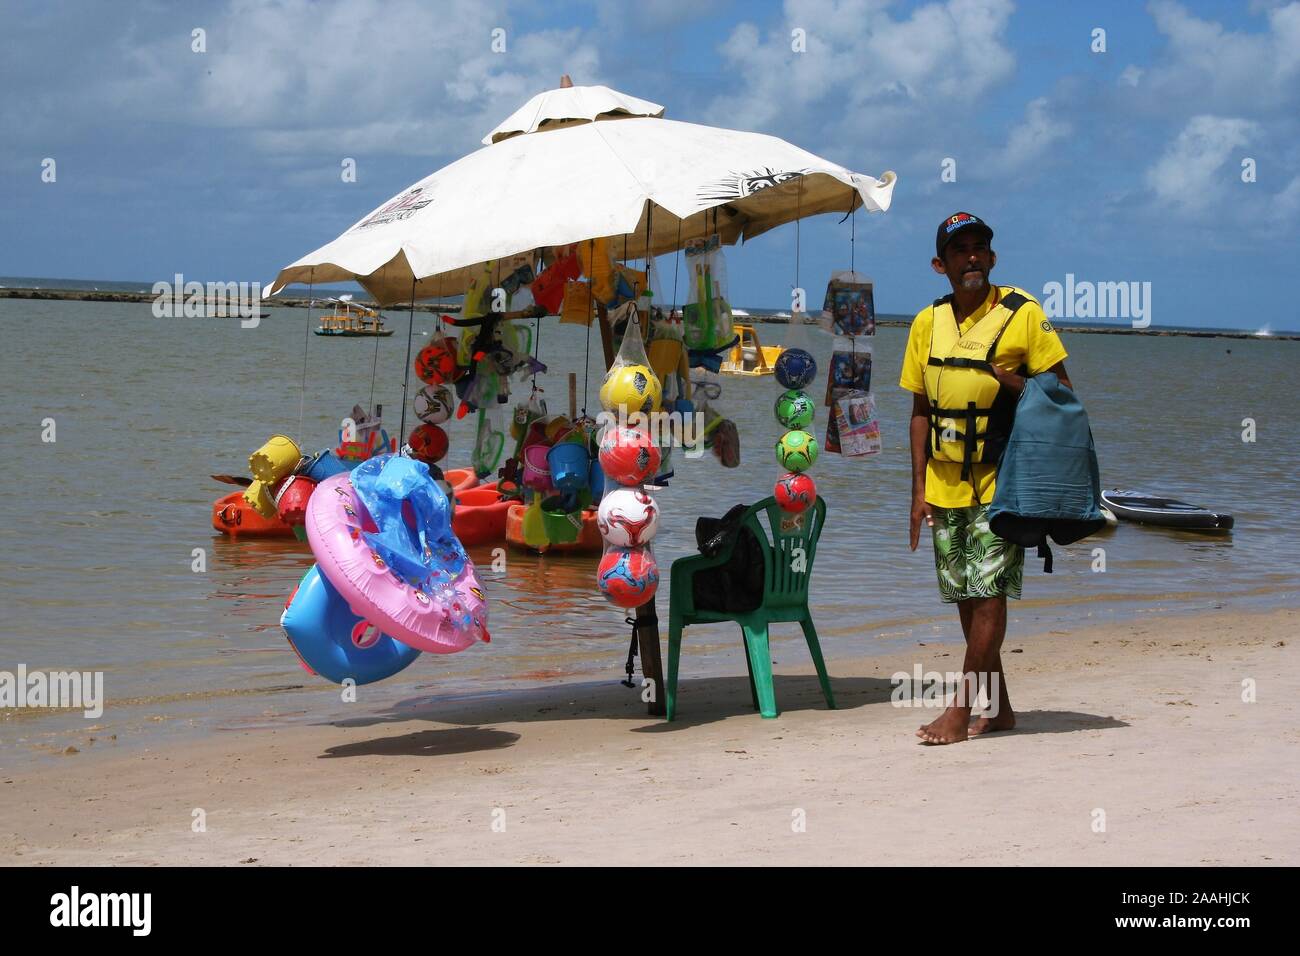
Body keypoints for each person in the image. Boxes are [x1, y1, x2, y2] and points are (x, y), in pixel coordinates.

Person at [899, 212, 1071, 744]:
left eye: (980, 248)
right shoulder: (926, 323)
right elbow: (920, 409)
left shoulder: (1024, 314)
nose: (972, 256)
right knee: (967, 599)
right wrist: (917, 491)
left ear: (992, 259)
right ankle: (1001, 710)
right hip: (945, 483)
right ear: (940, 264)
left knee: (990, 592)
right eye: (960, 250)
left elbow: (1063, 396)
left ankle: (960, 708)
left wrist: (1011, 380)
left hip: (1004, 481)